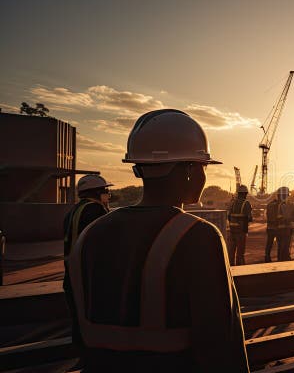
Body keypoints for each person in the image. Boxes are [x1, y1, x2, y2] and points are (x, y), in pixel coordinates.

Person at [66, 109, 249, 372]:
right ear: (189, 170)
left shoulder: (90, 235)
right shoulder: (199, 237)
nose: (204, 175)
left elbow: (78, 329)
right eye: (203, 166)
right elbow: (219, 346)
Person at [62, 174, 113, 364]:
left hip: (72, 276)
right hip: (89, 278)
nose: (107, 195)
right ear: (96, 192)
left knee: (79, 322)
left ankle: (83, 358)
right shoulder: (95, 210)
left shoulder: (73, 211)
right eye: (105, 190)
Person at [228, 184, 253, 265]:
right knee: (240, 253)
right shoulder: (246, 203)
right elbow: (250, 218)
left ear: (238, 193)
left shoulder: (233, 203)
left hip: (232, 231)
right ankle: (240, 268)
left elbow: (229, 216)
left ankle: (231, 267)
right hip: (241, 232)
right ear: (245, 194)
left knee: (231, 252)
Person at [265, 186, 291, 262]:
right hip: (278, 228)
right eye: (286, 195)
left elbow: (267, 215)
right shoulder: (282, 205)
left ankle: (267, 257)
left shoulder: (270, 204)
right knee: (281, 244)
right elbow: (283, 217)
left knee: (269, 243)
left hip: (270, 228)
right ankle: (281, 258)